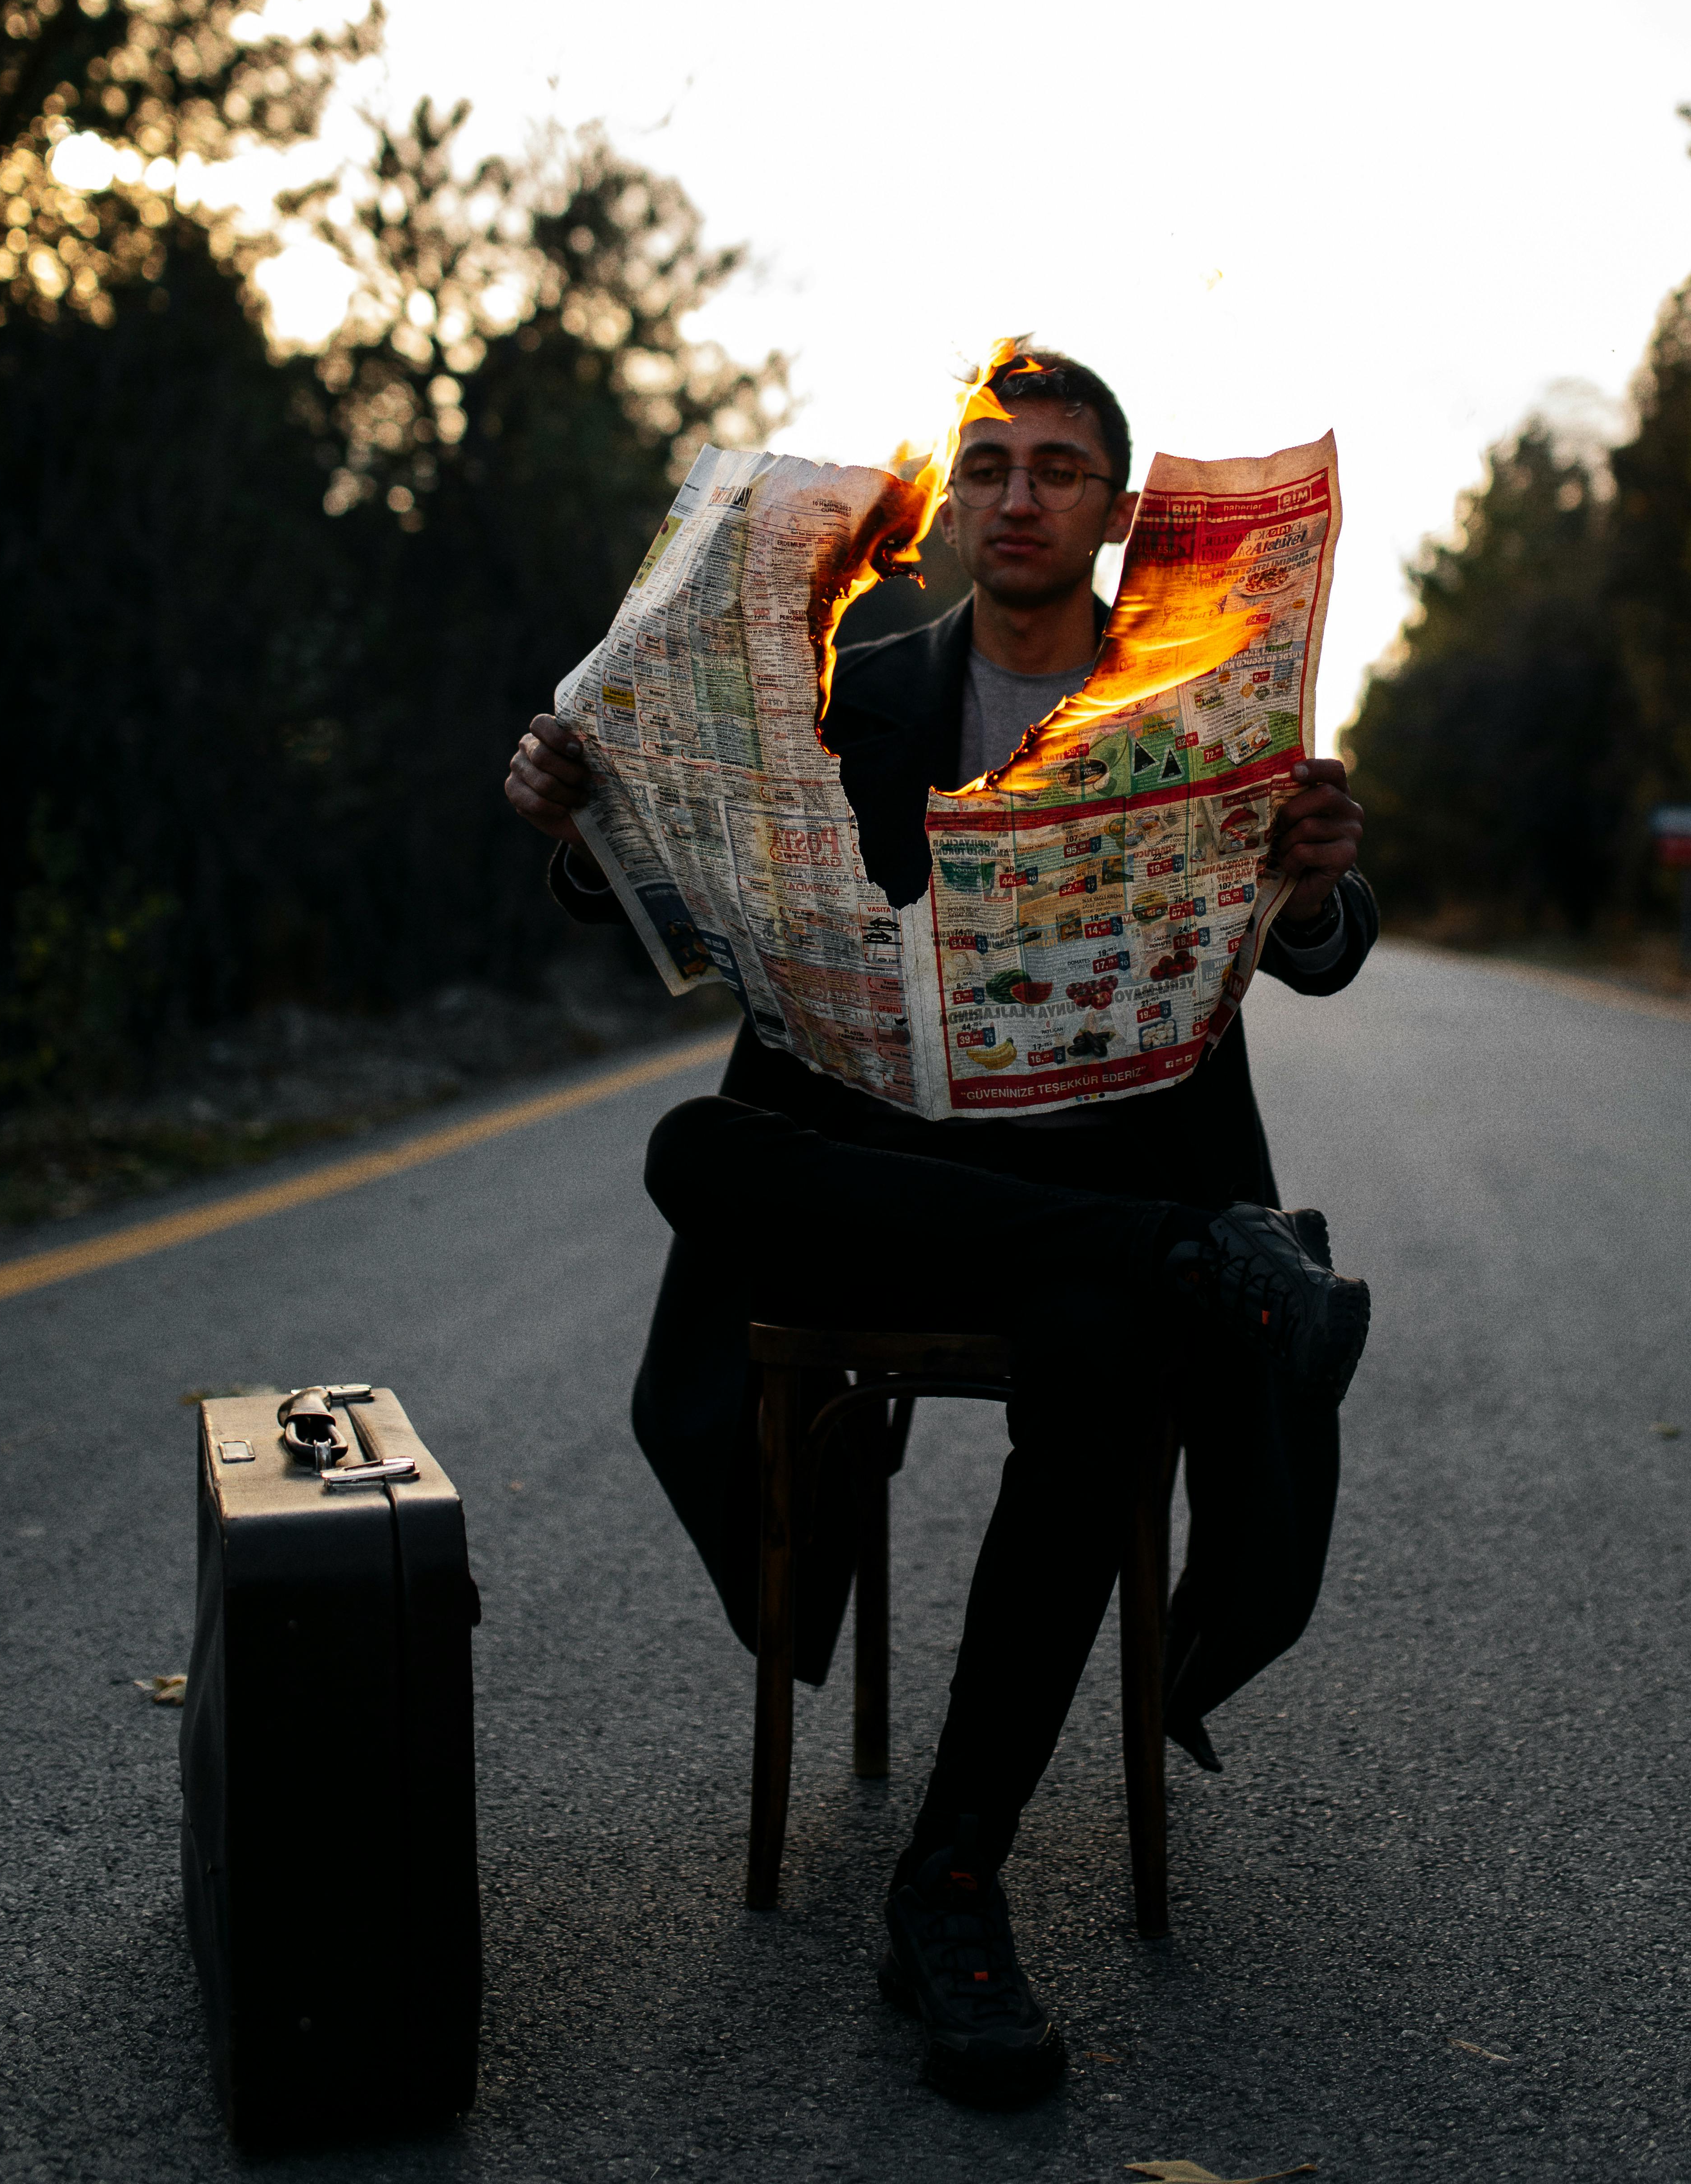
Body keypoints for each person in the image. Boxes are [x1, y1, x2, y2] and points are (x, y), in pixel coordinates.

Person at [506, 348, 1378, 2107]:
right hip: (888, 1186)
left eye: (1059, 469)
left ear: (1118, 515)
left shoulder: (1197, 687)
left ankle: (951, 1882)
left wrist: (1317, 865)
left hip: (1107, 1177)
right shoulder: (858, 685)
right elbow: (704, 877)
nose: (1017, 496)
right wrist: (589, 823)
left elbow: (1323, 938)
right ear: (957, 499)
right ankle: (1193, 1270)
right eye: (987, 464)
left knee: (1098, 1353)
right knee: (700, 1147)